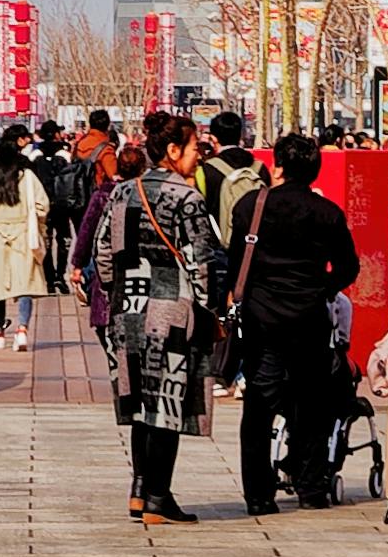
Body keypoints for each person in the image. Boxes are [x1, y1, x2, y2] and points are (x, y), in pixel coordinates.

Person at [84, 116, 218, 521]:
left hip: (127, 311)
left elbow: (102, 252)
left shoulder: (123, 191)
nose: (198, 157)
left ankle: (139, 491)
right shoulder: (187, 198)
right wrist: (208, 308)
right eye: (194, 148)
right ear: (174, 151)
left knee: (141, 403)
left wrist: (114, 292)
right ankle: (159, 496)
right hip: (171, 313)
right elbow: (200, 264)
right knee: (166, 405)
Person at [226, 138, 360, 514]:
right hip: (308, 318)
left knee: (259, 404)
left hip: (261, 319)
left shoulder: (251, 205)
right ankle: (310, 486)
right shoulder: (327, 213)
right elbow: (349, 268)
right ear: (315, 169)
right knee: (311, 402)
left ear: (279, 166)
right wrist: (322, 288)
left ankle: (258, 494)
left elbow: (235, 262)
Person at [0, 132, 48, 349]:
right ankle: (22, 330)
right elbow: (42, 205)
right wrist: (37, 224)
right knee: (24, 284)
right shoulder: (28, 179)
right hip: (23, 234)